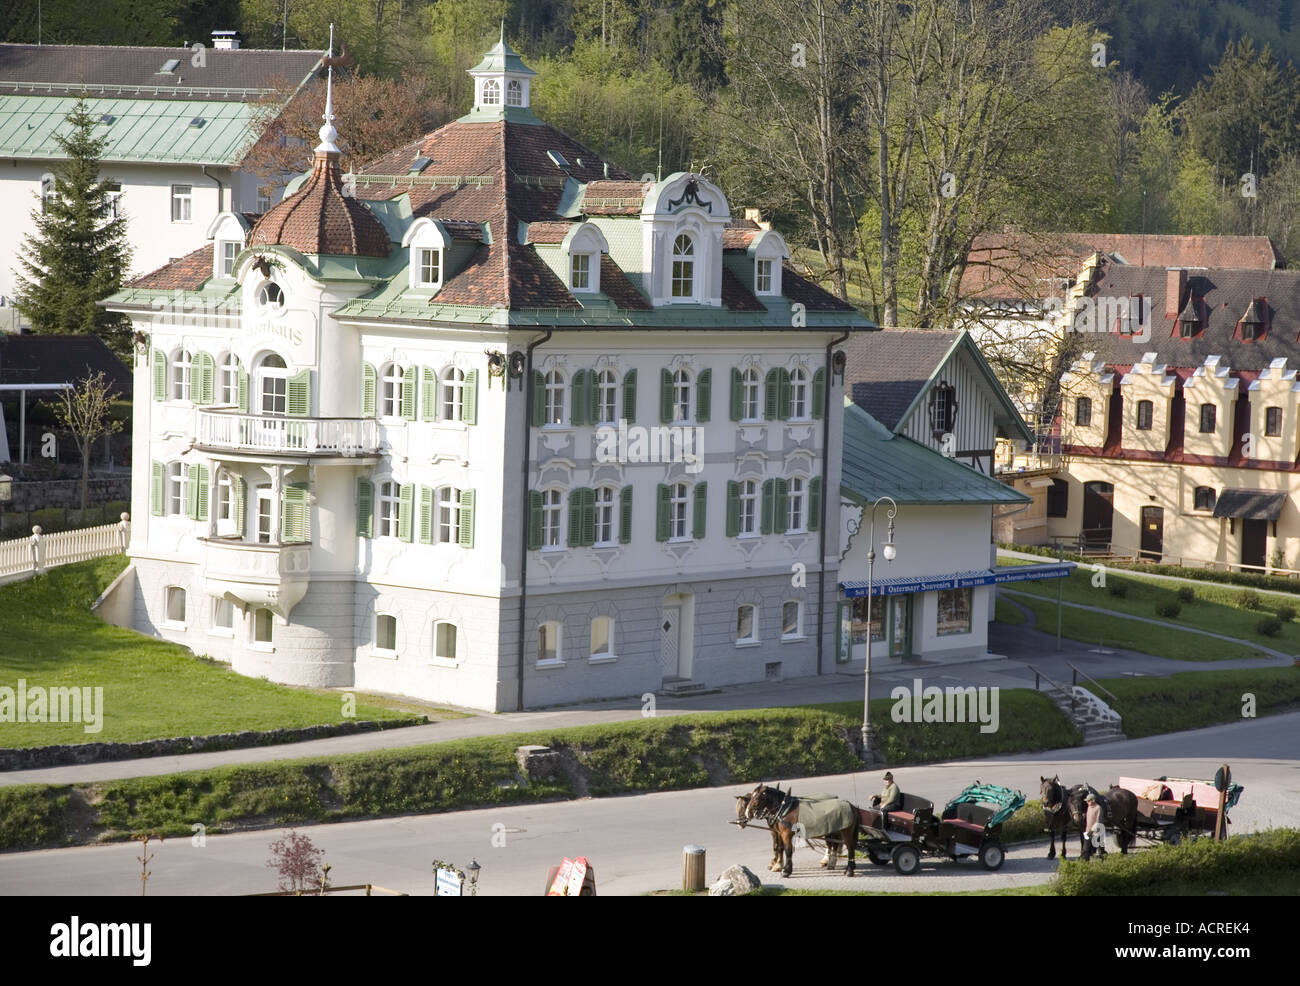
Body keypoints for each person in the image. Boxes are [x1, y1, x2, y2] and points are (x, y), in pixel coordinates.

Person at [1083, 792, 1107, 859]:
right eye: (1086, 801)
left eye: (1088, 801)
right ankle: (1085, 863)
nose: (1087, 802)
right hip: (1088, 831)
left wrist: (1091, 831)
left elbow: (1099, 822)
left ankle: (1103, 862)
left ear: (1093, 800)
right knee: (1085, 849)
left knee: (1100, 850)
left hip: (1097, 833)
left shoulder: (1098, 808)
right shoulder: (1089, 807)